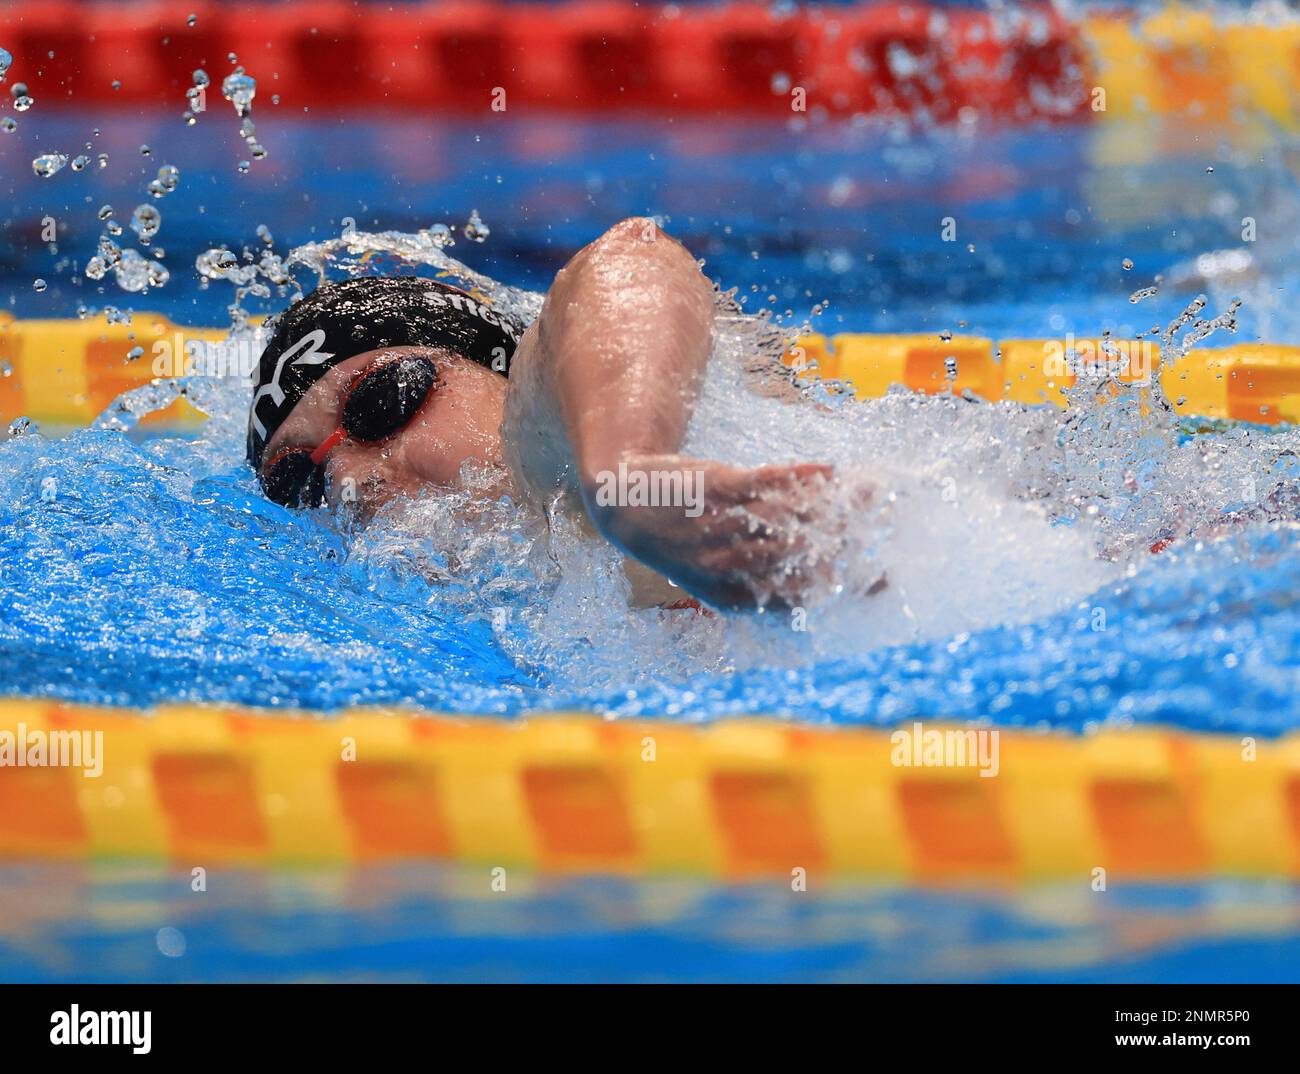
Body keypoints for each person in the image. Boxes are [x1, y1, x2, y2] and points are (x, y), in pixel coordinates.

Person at [247, 218, 836, 611]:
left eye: (382, 402)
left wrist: (629, 475)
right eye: (299, 480)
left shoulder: (550, 470)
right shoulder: (529, 599)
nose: (345, 482)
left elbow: (633, 258)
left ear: (503, 371)